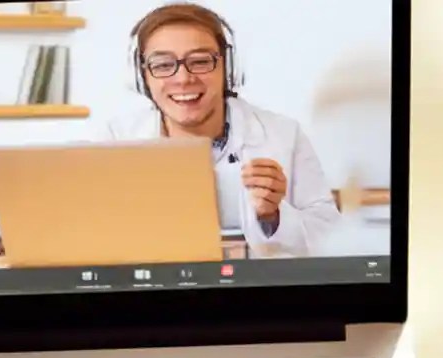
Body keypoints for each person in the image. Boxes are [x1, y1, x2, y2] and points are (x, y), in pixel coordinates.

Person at [102, 2, 341, 258]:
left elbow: (332, 238)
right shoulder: (116, 140)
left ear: (226, 68)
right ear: (143, 77)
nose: (183, 79)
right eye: (162, 65)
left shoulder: (283, 134)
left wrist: (274, 216)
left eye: (201, 61)